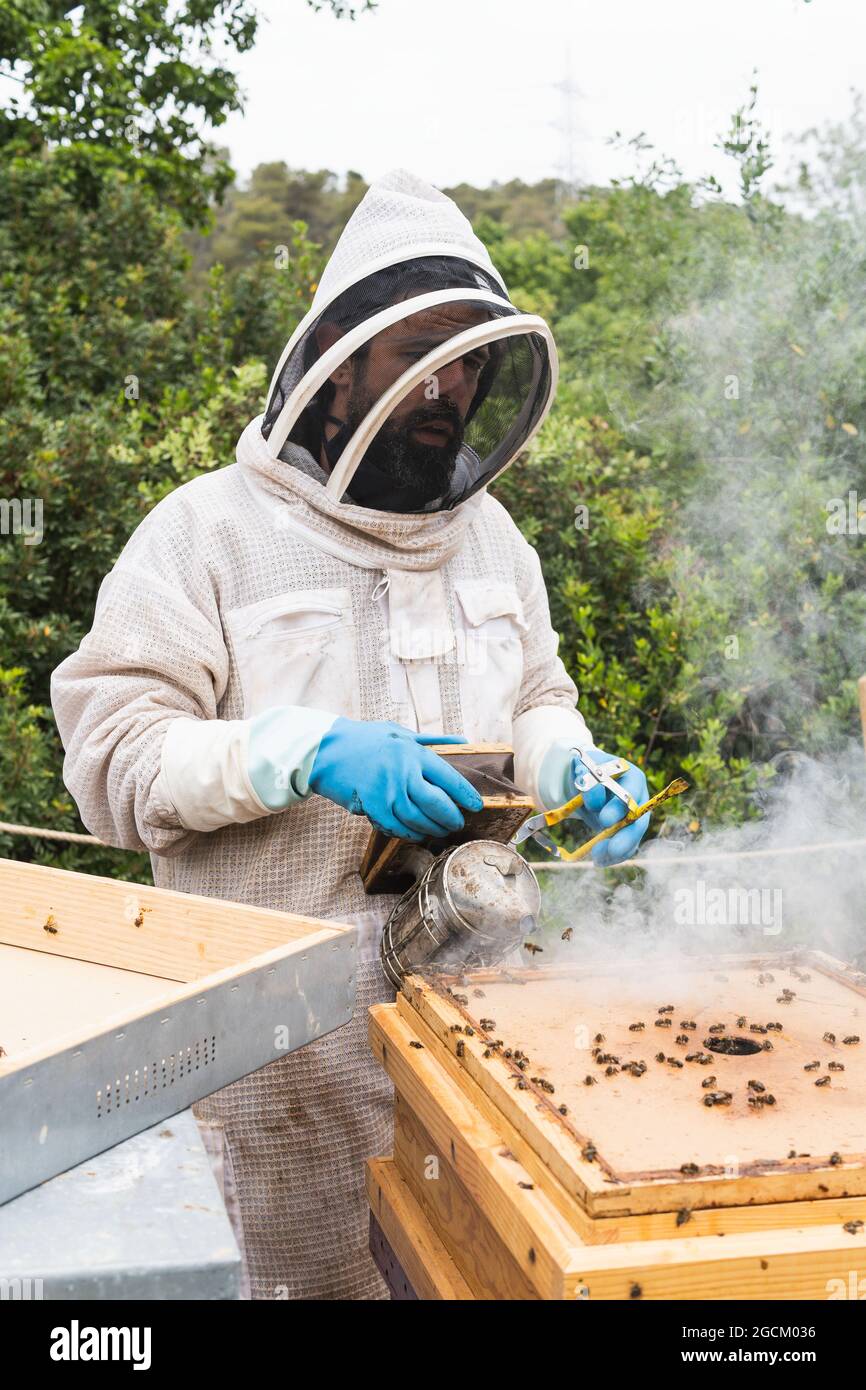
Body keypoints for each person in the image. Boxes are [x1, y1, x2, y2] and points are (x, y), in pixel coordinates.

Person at [51, 170, 649, 1300]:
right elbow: (115, 763)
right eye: (417, 348)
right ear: (336, 356)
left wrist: (565, 757)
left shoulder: (491, 541)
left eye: (467, 357)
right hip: (277, 1055)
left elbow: (538, 689)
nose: (449, 380)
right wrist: (302, 751)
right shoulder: (204, 535)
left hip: (472, 1028)